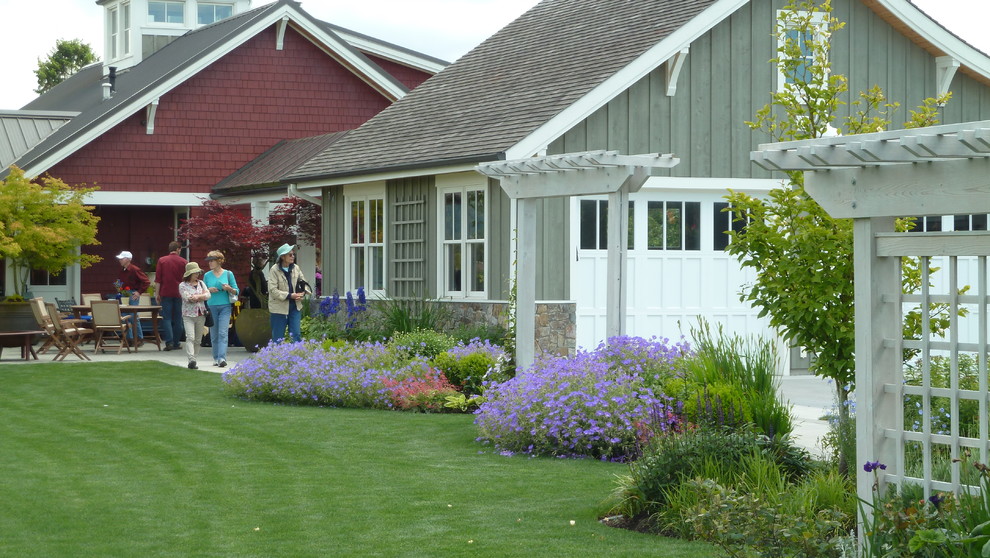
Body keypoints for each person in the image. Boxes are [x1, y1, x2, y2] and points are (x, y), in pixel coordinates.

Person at [268, 243, 311, 343]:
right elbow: (273, 290)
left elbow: (303, 283)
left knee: (296, 334)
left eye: (293, 254)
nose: (293, 256)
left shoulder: (296, 268)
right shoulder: (274, 270)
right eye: (290, 255)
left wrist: (303, 292)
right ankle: (277, 353)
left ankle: (296, 353)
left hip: (295, 306)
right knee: (278, 337)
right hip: (278, 308)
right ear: (283, 257)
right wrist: (289, 295)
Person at [202, 250, 238, 368]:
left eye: (212, 261)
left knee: (223, 332)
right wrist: (209, 290)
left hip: (225, 306)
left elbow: (236, 290)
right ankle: (216, 357)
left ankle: (222, 358)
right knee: (214, 334)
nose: (209, 263)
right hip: (211, 306)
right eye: (209, 261)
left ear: (219, 261)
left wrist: (229, 289)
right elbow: (202, 291)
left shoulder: (228, 274)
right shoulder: (207, 275)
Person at [154, 241, 187, 351]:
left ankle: (169, 342)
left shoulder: (162, 260)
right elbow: (186, 280)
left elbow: (158, 279)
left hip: (166, 292)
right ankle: (176, 342)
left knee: (167, 318)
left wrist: (157, 293)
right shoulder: (184, 262)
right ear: (178, 249)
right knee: (178, 318)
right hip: (179, 293)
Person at [178, 261, 210, 370]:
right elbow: (188, 298)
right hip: (188, 315)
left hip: (201, 314)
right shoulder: (182, 285)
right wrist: (201, 296)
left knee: (198, 340)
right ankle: (191, 359)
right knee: (190, 337)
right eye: (195, 273)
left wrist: (198, 297)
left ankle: (194, 360)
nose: (197, 274)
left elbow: (208, 295)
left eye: (198, 272)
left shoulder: (201, 283)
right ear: (189, 274)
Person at [116, 250, 150, 347]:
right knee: (125, 316)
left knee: (133, 316)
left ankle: (139, 338)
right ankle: (129, 339)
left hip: (132, 294)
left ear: (128, 259)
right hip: (124, 294)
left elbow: (146, 281)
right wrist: (119, 288)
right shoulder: (123, 270)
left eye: (122, 259)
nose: (120, 260)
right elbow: (120, 282)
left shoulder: (135, 269)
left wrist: (139, 292)